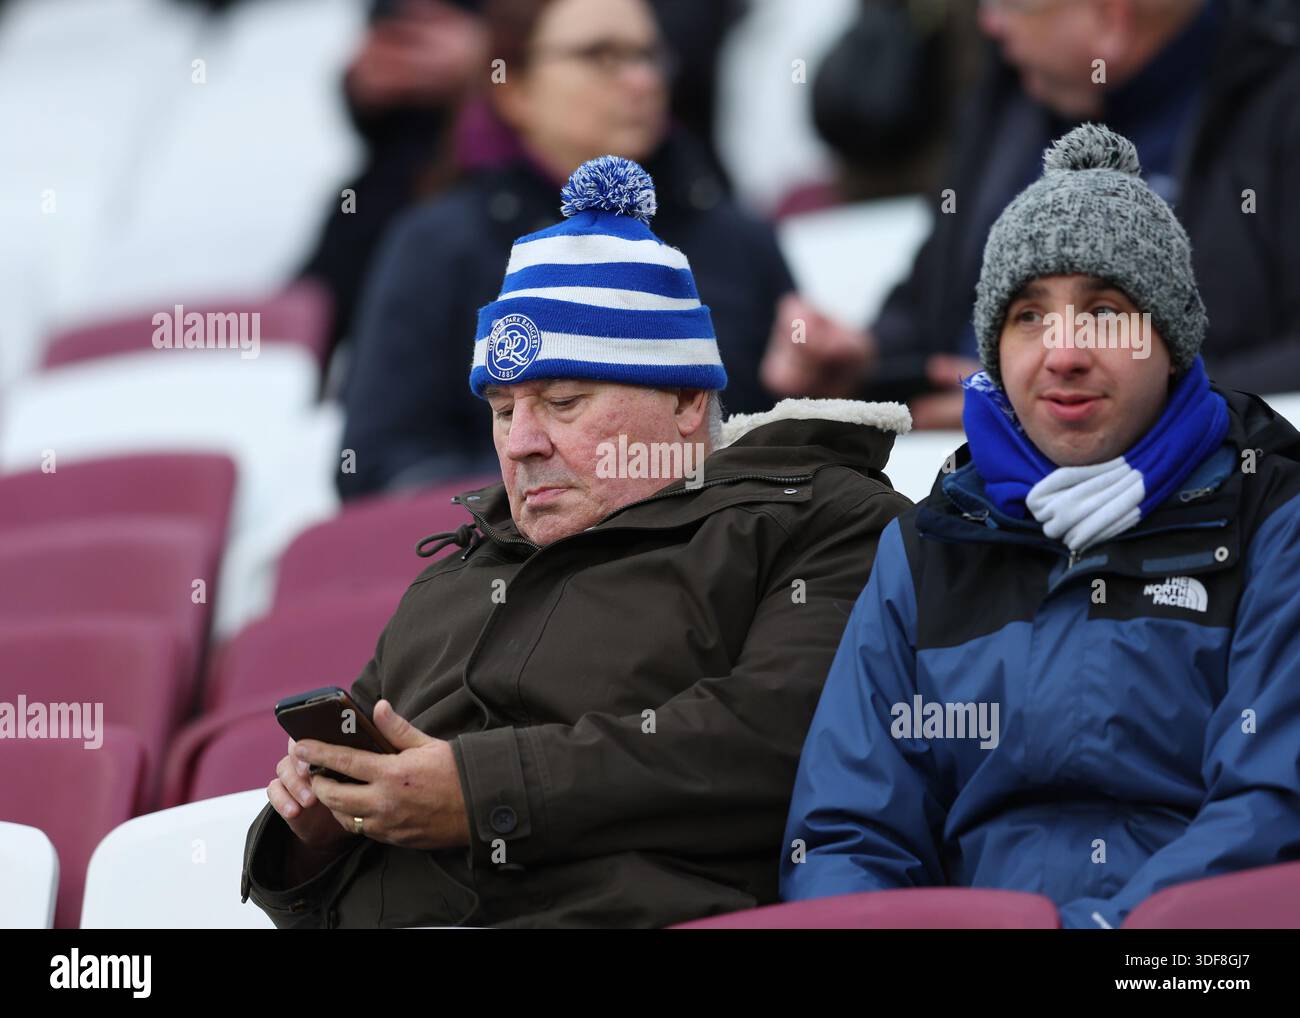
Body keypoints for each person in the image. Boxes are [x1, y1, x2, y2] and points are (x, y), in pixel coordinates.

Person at [242, 155, 912, 928]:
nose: (521, 443)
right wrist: (315, 831)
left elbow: (772, 743)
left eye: (563, 401)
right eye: (501, 410)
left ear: (688, 399)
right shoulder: (459, 567)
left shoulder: (823, 519)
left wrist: (482, 795)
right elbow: (318, 877)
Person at [780, 124, 1300, 929]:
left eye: (1105, 311)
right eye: (1028, 315)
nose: (1063, 353)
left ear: (1170, 339)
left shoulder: (1274, 520)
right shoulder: (928, 545)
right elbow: (847, 833)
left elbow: (1272, 807)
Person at [762, 0, 1300, 427]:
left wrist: (1081, 399)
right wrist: (866, 361)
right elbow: (930, 302)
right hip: (953, 483)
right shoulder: (1010, 96)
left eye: (1012, 5)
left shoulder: (1275, 106)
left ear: (1111, 19)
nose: (988, 23)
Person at [335, 0, 791, 497]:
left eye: (649, 56)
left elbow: (796, 447)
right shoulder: (436, 246)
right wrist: (564, 487)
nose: (642, 81)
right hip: (526, 563)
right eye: (602, 55)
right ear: (515, 90)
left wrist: (829, 384)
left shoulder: (737, 236)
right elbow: (378, 463)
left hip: (731, 550)